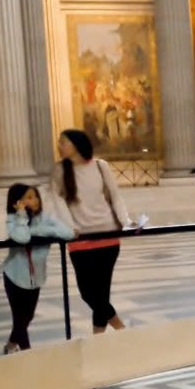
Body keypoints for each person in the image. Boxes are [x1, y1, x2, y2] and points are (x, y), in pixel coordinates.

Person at [51, 129, 134, 334]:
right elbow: (58, 201)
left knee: (101, 293)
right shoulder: (60, 170)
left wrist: (126, 221)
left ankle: (99, 337)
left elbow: (115, 196)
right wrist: (70, 226)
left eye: (63, 142)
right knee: (88, 292)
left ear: (77, 144)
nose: (60, 146)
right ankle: (121, 329)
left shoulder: (100, 166)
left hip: (107, 234)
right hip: (80, 238)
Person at [2, 183, 75, 353]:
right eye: (29, 197)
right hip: (14, 276)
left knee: (28, 317)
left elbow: (69, 233)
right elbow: (22, 237)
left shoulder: (45, 219)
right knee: (20, 319)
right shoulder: (12, 220)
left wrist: (39, 230)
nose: (35, 200)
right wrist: (22, 216)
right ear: (17, 202)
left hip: (36, 278)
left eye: (35, 196)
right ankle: (27, 352)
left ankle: (11, 345)